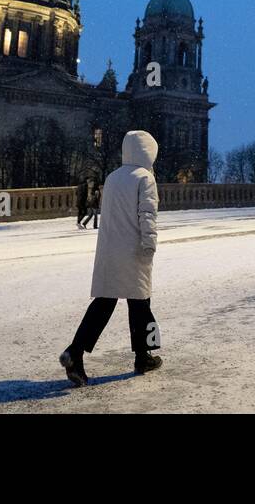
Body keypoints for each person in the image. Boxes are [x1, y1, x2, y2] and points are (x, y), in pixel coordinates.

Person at [60, 131, 162, 386]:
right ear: (149, 152)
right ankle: (143, 356)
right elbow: (147, 215)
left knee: (103, 303)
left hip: (109, 250)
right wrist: (149, 245)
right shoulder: (145, 178)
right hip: (133, 250)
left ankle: (75, 351)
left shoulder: (113, 177)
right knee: (141, 302)